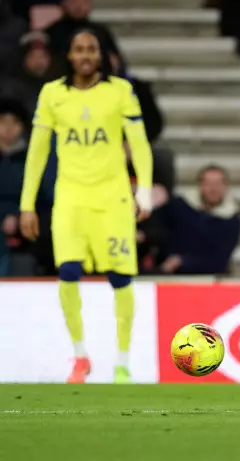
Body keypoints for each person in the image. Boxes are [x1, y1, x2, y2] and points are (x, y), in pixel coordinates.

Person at [18, 29, 153, 384]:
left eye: (92, 48)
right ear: (69, 55)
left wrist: (145, 190)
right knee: (68, 272)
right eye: (79, 49)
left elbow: (138, 143)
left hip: (113, 198)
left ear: (101, 54)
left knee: (121, 277)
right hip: (71, 199)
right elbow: (37, 152)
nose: (86, 54)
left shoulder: (120, 91)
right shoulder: (52, 94)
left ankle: (123, 362)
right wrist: (27, 204)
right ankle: (80, 356)